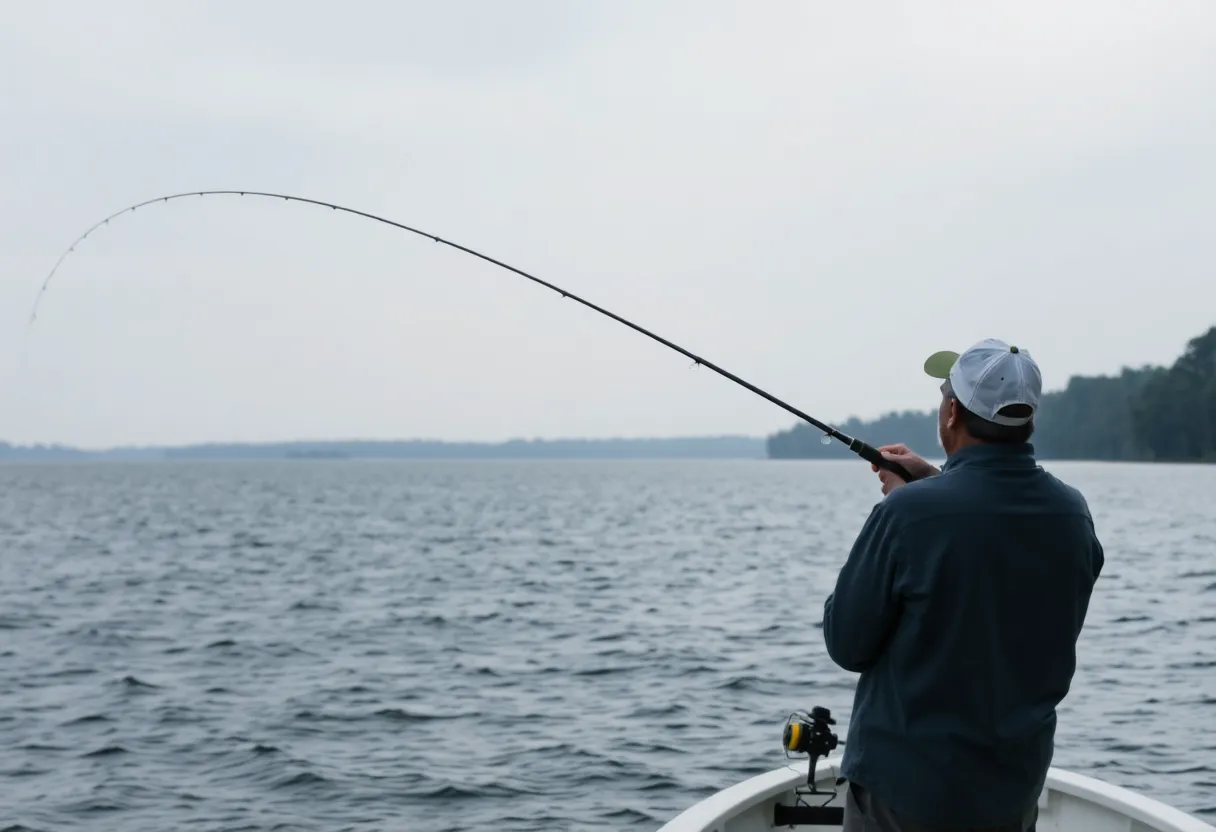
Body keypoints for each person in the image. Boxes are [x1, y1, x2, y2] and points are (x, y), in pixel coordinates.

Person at [821, 338, 1105, 831]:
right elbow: (993, 538)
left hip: (904, 794)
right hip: (1010, 795)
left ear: (952, 412)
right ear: (1029, 418)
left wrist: (920, 498)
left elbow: (847, 642)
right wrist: (934, 482)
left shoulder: (907, 515)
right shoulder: (1072, 513)